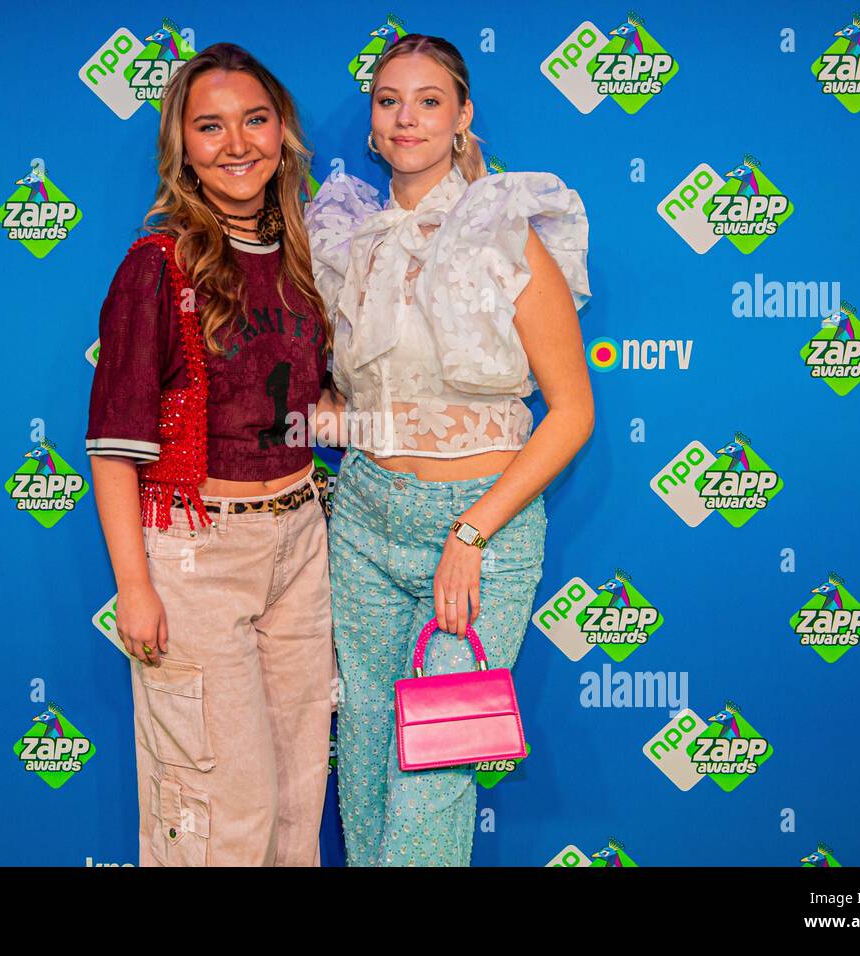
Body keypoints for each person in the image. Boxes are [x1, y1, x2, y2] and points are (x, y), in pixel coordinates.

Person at [304, 34, 595, 866]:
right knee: (362, 756)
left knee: (434, 767)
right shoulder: (346, 238)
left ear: (463, 116)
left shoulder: (509, 236)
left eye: (430, 100)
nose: (407, 118)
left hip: (477, 530)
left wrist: (470, 535)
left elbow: (571, 413)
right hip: (361, 521)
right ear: (370, 120)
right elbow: (354, 403)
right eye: (389, 99)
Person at [86, 42, 336, 866]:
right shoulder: (159, 266)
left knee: (299, 798)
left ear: (283, 132)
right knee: (221, 805)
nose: (238, 144)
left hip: (301, 542)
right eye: (211, 126)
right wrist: (134, 587)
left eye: (255, 120)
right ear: (182, 147)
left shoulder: (303, 258)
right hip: (199, 551)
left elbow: (313, 407)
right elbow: (115, 449)